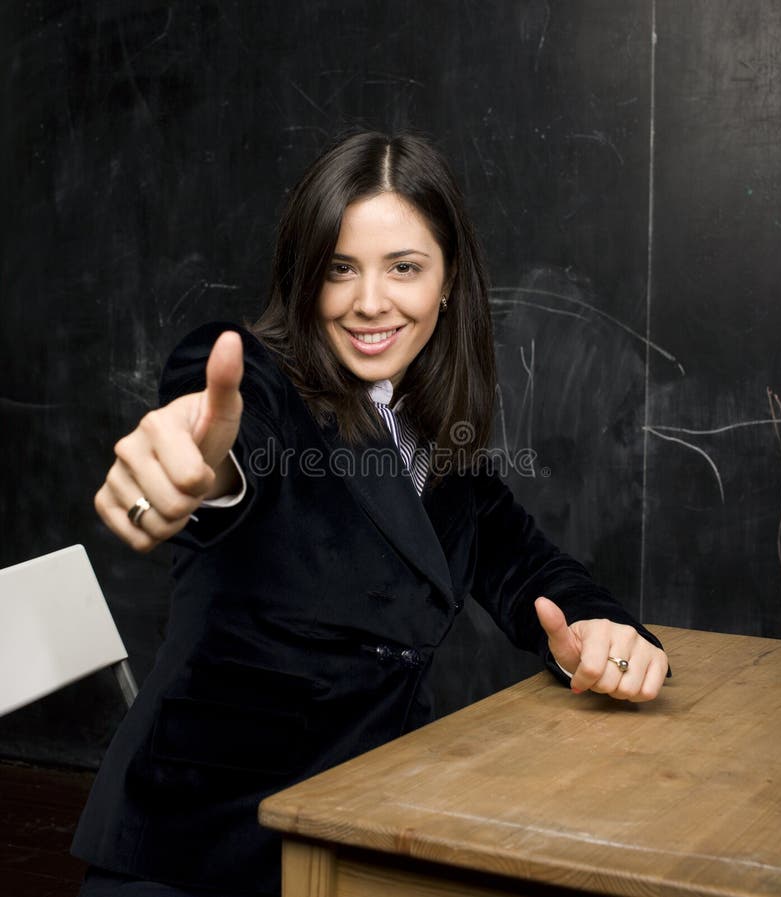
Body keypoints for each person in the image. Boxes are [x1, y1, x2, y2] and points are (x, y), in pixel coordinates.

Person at [72, 131, 669, 896]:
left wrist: (600, 630)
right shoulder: (252, 378)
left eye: (405, 268)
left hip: (366, 823)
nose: (369, 302)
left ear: (449, 280)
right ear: (304, 278)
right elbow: (224, 435)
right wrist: (192, 461)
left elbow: (527, 563)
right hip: (204, 851)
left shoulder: (430, 431)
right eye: (339, 269)